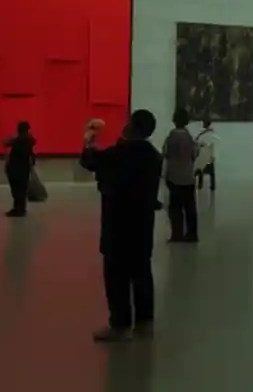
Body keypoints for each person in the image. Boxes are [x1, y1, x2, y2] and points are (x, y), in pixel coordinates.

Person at [81, 109, 165, 342]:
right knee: (141, 273)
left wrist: (89, 139)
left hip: (117, 225)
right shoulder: (153, 157)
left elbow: (90, 161)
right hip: (142, 226)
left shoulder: (120, 153)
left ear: (133, 127)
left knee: (116, 276)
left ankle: (119, 324)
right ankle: (144, 321)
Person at [163, 109, 199, 242]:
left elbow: (166, 153)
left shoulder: (172, 136)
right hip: (188, 176)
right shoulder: (189, 136)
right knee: (190, 208)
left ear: (174, 120)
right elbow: (194, 154)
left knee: (175, 208)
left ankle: (177, 234)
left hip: (174, 176)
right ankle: (192, 234)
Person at [3, 121, 36, 217]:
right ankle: (21, 208)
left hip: (15, 168)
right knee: (21, 189)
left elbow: (6, 144)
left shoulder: (18, 140)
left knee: (16, 190)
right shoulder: (28, 140)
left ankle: (18, 209)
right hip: (23, 169)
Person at [195, 119, 218, 193]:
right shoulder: (208, 133)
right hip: (207, 155)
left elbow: (202, 143)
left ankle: (201, 185)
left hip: (205, 155)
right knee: (206, 171)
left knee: (203, 170)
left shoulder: (207, 133)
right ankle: (210, 186)